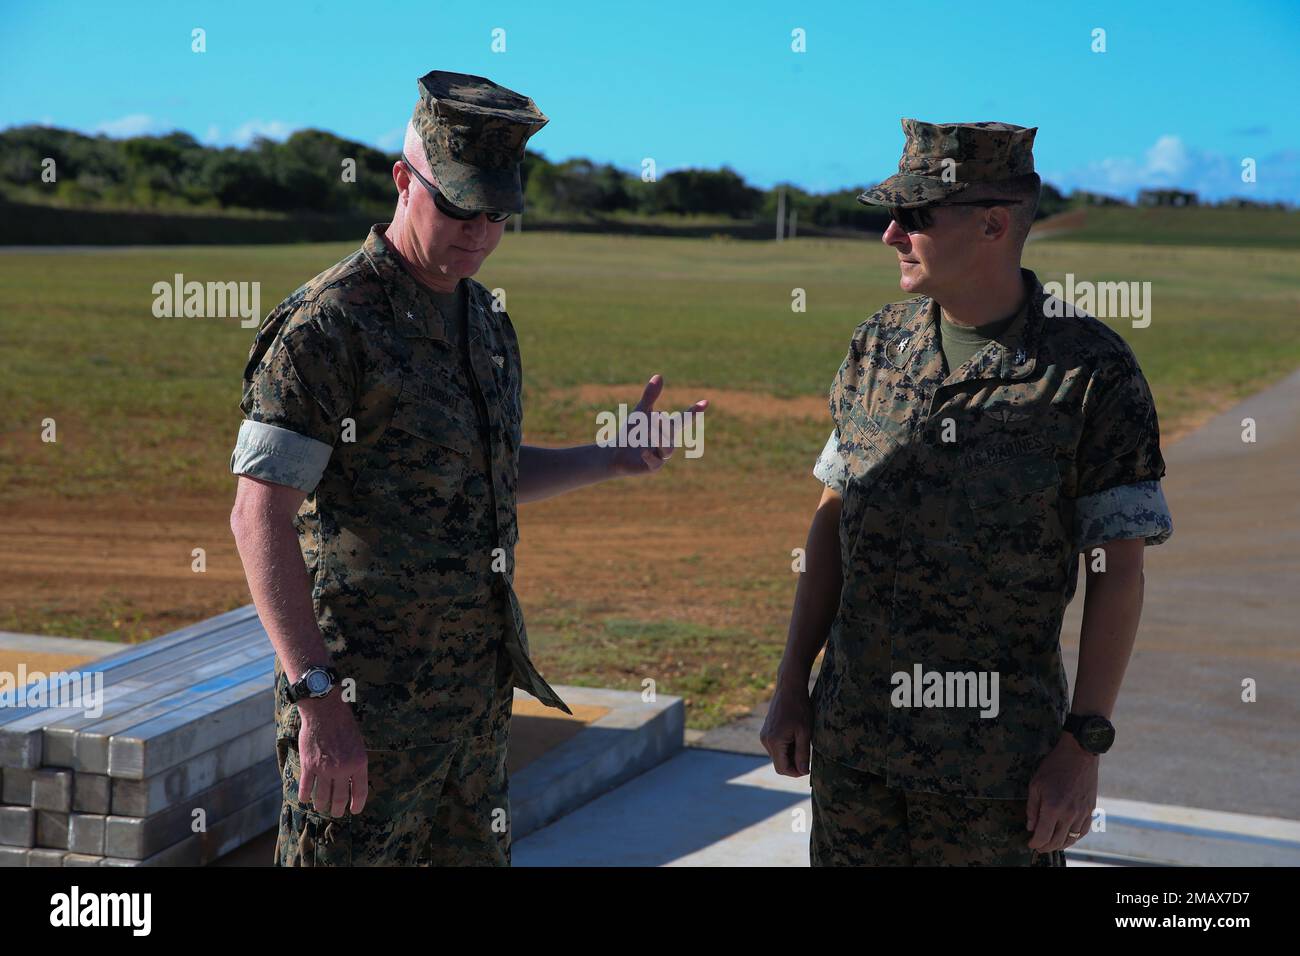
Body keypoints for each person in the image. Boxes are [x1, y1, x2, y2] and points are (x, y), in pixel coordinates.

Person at [229, 70, 706, 866]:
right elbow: (256, 516)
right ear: (402, 181)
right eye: (456, 206)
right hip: (362, 713)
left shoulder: (484, 319)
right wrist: (319, 703)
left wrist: (608, 459)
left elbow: (485, 474)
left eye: (497, 214)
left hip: (470, 710)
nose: (477, 233)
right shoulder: (328, 325)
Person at [760, 118, 1172, 866]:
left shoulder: (1090, 373)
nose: (890, 234)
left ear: (992, 223)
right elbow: (832, 520)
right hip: (855, 759)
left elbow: (1120, 572)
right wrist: (793, 682)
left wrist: (1085, 743)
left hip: (997, 779)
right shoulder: (876, 348)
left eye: (914, 217)